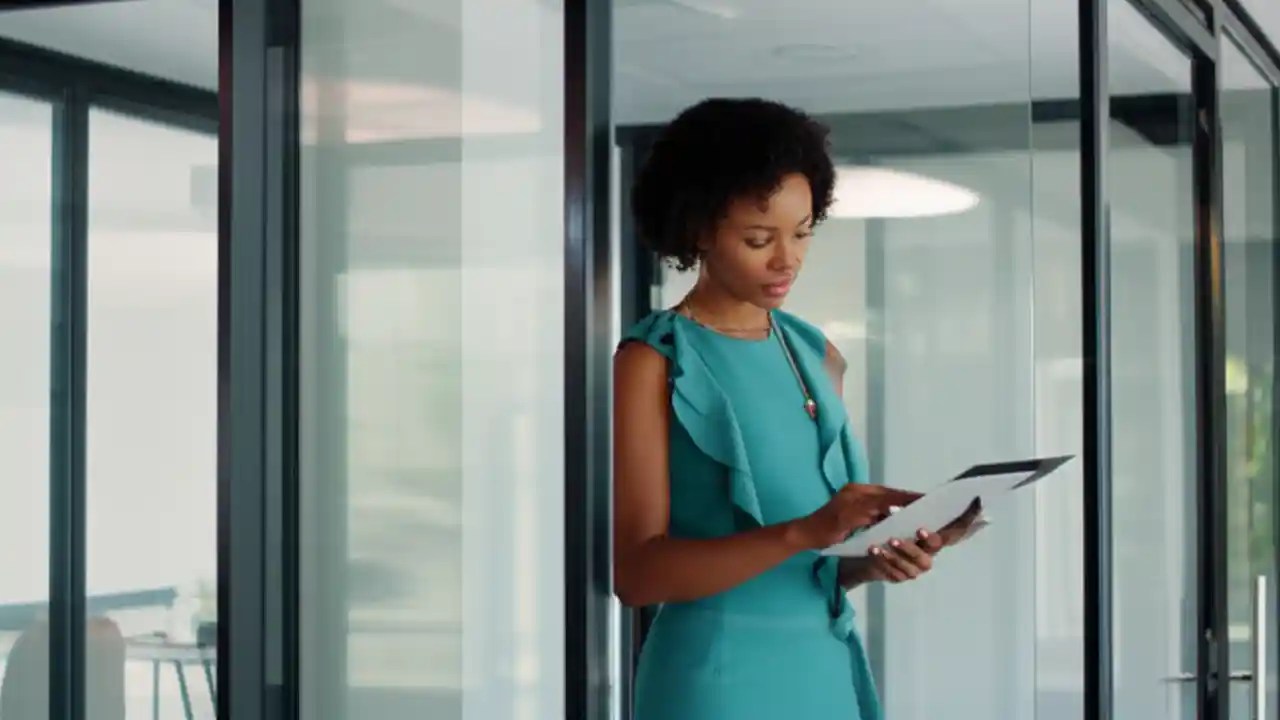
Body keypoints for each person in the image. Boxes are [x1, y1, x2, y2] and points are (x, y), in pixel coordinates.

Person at [612, 98, 982, 720]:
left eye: (804, 231)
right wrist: (805, 531)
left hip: (824, 664)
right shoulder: (653, 359)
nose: (788, 259)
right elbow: (638, 577)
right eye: (759, 239)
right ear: (699, 228)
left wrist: (882, 557)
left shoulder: (816, 353)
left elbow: (813, 568)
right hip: (715, 678)